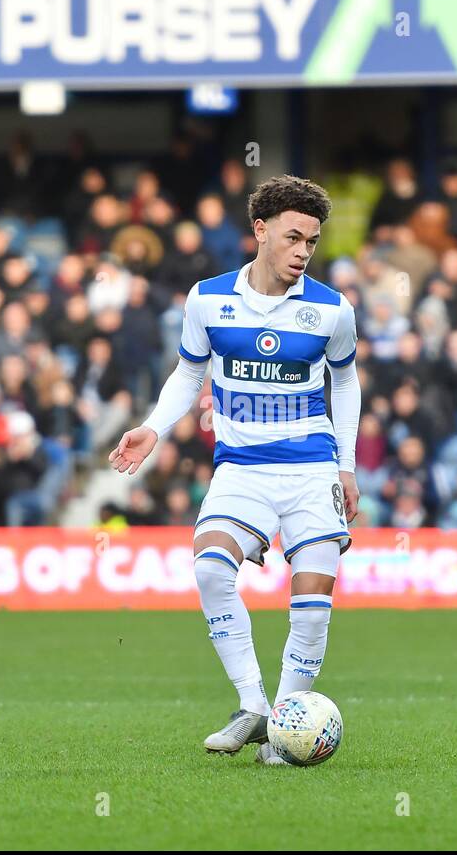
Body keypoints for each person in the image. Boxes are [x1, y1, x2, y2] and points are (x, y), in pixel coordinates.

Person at [108, 175, 360, 766]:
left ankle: (285, 728)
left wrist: (346, 467)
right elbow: (189, 373)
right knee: (210, 568)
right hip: (240, 469)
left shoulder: (331, 310)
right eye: (294, 237)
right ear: (261, 230)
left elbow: (345, 381)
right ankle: (253, 705)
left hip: (310, 468)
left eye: (313, 242)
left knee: (312, 604)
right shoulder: (208, 299)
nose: (303, 251)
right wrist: (154, 427)